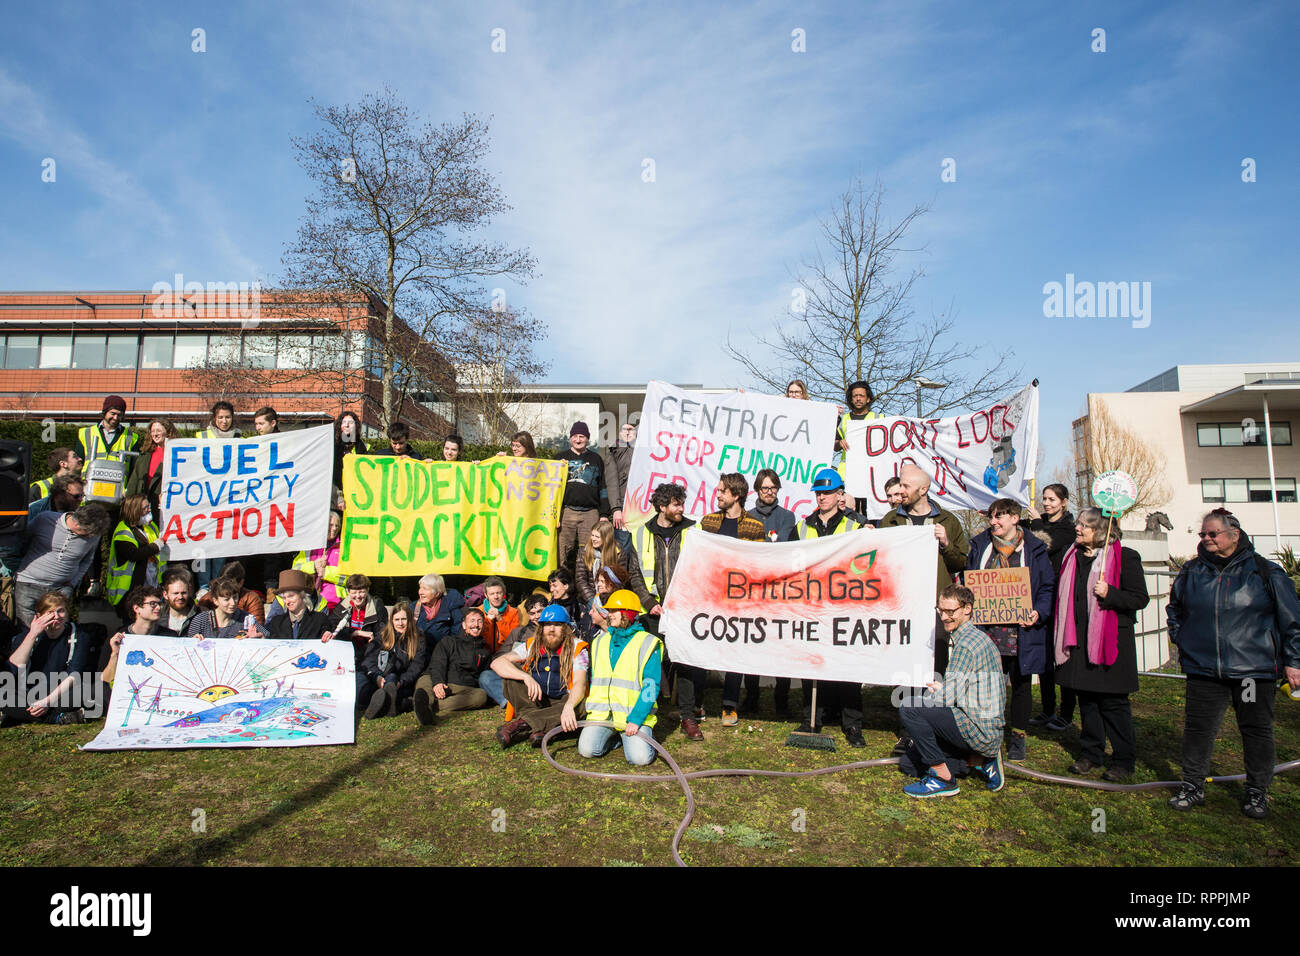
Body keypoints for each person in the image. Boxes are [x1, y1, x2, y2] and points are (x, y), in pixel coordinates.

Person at [1166, 508, 1300, 819]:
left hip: (1252, 672)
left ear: (1234, 534)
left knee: (1255, 730)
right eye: (1203, 534)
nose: (1207, 539)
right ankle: (1192, 785)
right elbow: (1175, 609)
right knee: (1198, 730)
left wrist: (1294, 661)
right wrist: (1180, 637)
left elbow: (1292, 621)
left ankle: (1257, 791)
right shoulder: (1191, 572)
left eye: (1213, 533)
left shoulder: (1265, 572)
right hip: (1204, 670)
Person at [1053, 508, 1149, 782]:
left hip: (1110, 643)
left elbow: (1139, 598)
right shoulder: (1071, 558)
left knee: (1113, 704)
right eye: (1079, 524)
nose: (1078, 529)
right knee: (1088, 701)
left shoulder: (1126, 558)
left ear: (1100, 531)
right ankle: (1091, 753)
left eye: (1085, 525)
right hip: (1080, 642)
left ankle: (1123, 759)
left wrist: (1111, 594)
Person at [964, 498, 1056, 761]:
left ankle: (1017, 736)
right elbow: (970, 578)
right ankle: (985, 732)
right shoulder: (981, 546)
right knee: (987, 685)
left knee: (1020, 685)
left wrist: (1038, 611)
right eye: (991, 517)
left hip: (1021, 632)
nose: (993, 522)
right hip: (987, 630)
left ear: (1015, 518)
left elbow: (1047, 586)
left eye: (999, 517)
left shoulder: (1035, 549)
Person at [897, 585, 1007, 797]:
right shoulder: (976, 637)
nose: (945, 617)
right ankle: (980, 759)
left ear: (967, 609)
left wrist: (933, 696)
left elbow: (945, 699)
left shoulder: (965, 645)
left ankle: (942, 779)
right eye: (941, 611)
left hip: (978, 727)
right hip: (981, 722)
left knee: (910, 708)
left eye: (950, 612)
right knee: (908, 764)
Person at [789, 468, 870, 746]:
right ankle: (811, 719)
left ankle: (852, 725)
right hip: (810, 605)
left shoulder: (855, 528)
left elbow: (868, 565)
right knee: (811, 665)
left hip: (844, 606)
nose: (821, 497)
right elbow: (787, 561)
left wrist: (871, 536)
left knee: (847, 666)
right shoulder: (801, 527)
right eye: (818, 493)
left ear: (840, 495)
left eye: (827, 492)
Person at [878, 463, 969, 670]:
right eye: (900, 485)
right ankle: (903, 702)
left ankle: (934, 701)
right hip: (901, 605)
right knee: (903, 662)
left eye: (906, 486)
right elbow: (880, 561)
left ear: (923, 490)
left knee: (935, 659)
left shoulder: (948, 520)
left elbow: (960, 563)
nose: (901, 490)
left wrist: (946, 544)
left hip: (935, 606)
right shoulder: (891, 520)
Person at [625, 482, 698, 738]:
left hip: (682, 611)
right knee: (653, 665)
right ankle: (650, 714)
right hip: (653, 612)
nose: (681, 509)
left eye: (681, 503)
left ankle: (689, 717)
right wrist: (648, 602)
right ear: (662, 506)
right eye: (676, 504)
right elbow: (634, 573)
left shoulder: (693, 529)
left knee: (685, 664)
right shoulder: (641, 533)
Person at [699, 473, 767, 726]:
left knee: (733, 651)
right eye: (717, 491)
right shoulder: (708, 522)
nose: (717, 495)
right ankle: (697, 704)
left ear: (736, 495)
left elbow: (758, 565)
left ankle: (730, 705)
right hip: (711, 596)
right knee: (704, 649)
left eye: (722, 492)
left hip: (739, 600)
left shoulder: (754, 526)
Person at [577, 589, 662, 766]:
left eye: (614, 611)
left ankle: (640, 737)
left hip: (631, 716)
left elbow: (651, 685)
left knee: (640, 759)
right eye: (609, 611)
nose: (610, 614)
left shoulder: (647, 643)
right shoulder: (600, 642)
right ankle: (617, 739)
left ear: (628, 614)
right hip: (603, 715)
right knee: (586, 750)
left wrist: (636, 719)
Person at [491, 603, 590, 747]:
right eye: (547, 624)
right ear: (541, 627)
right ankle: (542, 725)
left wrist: (568, 706)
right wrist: (526, 677)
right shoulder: (532, 644)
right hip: (536, 699)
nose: (551, 629)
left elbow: (579, 684)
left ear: (566, 627)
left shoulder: (578, 647)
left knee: (581, 705)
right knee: (510, 674)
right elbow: (497, 663)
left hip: (562, 701)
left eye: (557, 624)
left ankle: (524, 724)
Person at [1024, 482, 1079, 731]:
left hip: (1061, 596)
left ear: (1064, 502)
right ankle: (1048, 709)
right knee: (1045, 657)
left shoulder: (1069, 528)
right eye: (1044, 499)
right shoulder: (1037, 521)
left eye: (1052, 500)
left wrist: (1036, 523)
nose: (1046, 503)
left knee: (1063, 658)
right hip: (1040, 595)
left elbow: (1042, 544)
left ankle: (1066, 713)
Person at [2, 592, 100, 726]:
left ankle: (18, 715)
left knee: (88, 692)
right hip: (29, 691)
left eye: (61, 611)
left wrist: (47, 702)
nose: (56, 616)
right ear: (39, 616)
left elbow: (74, 674)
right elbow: (14, 667)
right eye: (50, 612)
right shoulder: (26, 636)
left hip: (60, 693)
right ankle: (57, 718)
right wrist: (33, 634)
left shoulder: (80, 636)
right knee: (4, 692)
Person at [14, 503, 110, 626]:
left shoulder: (93, 535)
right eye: (86, 532)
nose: (89, 536)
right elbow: (22, 541)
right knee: (27, 630)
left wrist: (73, 582)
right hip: (27, 584)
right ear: (76, 523)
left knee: (56, 631)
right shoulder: (45, 519)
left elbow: (87, 560)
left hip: (60, 589)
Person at [413, 607, 493, 723]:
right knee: (425, 683)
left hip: (461, 687)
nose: (476, 625)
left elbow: (482, 676)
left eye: (480, 621)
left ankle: (429, 707)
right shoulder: (449, 641)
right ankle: (425, 709)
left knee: (481, 696)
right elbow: (437, 663)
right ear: (464, 625)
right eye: (472, 621)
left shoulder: (485, 652)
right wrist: (438, 682)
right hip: (436, 678)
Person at [359, 601, 428, 719]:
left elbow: (417, 666)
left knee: (393, 682)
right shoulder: (383, 635)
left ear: (410, 620)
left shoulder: (418, 637)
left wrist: (402, 681)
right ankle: (394, 704)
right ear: (392, 621)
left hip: (403, 681)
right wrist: (377, 677)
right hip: (380, 678)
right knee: (367, 687)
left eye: (403, 619)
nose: (400, 623)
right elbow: (369, 660)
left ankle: (382, 706)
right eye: (397, 620)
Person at [557, 421, 609, 572]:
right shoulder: (560, 458)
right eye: (575, 436)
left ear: (587, 438)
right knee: (563, 551)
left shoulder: (596, 459)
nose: (578, 440)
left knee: (590, 551)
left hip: (590, 512)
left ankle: (588, 582)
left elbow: (603, 487)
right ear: (570, 438)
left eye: (582, 436)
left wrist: (605, 513)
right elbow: (548, 484)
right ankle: (563, 584)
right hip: (567, 511)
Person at [106, 494, 165, 621]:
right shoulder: (123, 531)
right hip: (129, 591)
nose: (149, 510)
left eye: (149, 506)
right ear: (135, 510)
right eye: (145, 508)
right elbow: (133, 554)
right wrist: (155, 546)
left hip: (151, 584)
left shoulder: (149, 527)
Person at [835, 380, 878, 513]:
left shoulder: (878, 418)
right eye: (855, 396)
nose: (858, 399)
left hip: (870, 473)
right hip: (847, 474)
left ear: (868, 398)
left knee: (869, 511)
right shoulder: (844, 419)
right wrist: (839, 443)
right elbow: (835, 445)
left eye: (862, 396)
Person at [327, 573, 388, 664]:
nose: (358, 596)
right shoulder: (342, 606)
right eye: (354, 592)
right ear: (348, 592)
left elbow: (382, 633)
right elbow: (332, 628)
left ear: (367, 590)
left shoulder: (377, 606)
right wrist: (355, 632)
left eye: (361, 592)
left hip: (369, 653)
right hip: (347, 652)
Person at [124, 419, 178, 520]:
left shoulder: (176, 455)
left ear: (168, 431)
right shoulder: (145, 454)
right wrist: (129, 504)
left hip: (164, 505)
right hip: (143, 506)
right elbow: (134, 481)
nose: (155, 434)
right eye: (152, 431)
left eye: (158, 431)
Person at [292, 511, 345, 611]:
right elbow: (295, 569)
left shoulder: (344, 547)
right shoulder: (310, 545)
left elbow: (350, 578)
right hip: (308, 600)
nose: (334, 528)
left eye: (337, 525)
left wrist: (326, 572)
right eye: (331, 525)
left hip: (335, 603)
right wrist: (313, 566)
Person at [187, 577, 270, 640]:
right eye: (227, 599)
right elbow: (188, 646)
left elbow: (267, 637)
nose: (233, 603)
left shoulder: (246, 618)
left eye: (235, 597)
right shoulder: (201, 620)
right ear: (215, 601)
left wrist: (259, 636)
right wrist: (193, 641)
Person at [576, 518, 635, 605]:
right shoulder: (584, 551)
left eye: (597, 537)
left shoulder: (618, 553)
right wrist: (592, 600)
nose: (593, 539)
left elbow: (619, 581)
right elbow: (580, 579)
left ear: (606, 538)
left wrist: (607, 600)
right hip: (588, 598)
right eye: (592, 535)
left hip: (610, 597)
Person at [265, 570, 335, 641]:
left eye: (291, 596)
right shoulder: (276, 622)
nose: (287, 602)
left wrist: (328, 635)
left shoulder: (320, 620)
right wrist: (260, 637)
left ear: (303, 595)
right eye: (284, 598)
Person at [75, 394, 138, 464]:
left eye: (119, 415)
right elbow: (77, 464)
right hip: (90, 475)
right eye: (113, 413)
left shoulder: (132, 438)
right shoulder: (85, 434)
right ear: (105, 412)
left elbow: (134, 467)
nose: (115, 418)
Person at [196, 561, 266, 623]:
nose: (232, 603)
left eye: (231, 583)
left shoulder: (251, 598)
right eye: (224, 582)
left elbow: (258, 628)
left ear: (241, 582)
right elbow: (199, 623)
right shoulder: (208, 599)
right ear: (215, 601)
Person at [413, 573, 465, 651]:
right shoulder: (414, 608)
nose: (420, 592)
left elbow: (457, 631)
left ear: (437, 593)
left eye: (425, 589)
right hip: (421, 652)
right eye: (420, 588)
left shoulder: (450, 604)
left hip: (444, 651)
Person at [748, 467, 797, 543]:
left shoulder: (787, 516)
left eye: (773, 488)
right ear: (758, 489)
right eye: (765, 488)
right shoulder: (747, 516)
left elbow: (781, 545)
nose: (770, 492)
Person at [604, 421, 637, 530]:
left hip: (641, 505)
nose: (627, 432)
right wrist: (616, 508)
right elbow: (611, 482)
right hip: (623, 506)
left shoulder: (642, 450)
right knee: (623, 544)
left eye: (630, 429)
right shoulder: (612, 451)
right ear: (620, 433)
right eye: (624, 429)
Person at [332, 411, 367, 491]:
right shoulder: (332, 444)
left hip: (355, 489)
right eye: (344, 422)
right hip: (336, 490)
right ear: (340, 425)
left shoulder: (362, 447)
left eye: (350, 422)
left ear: (356, 426)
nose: (347, 425)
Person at [160, 567, 200, 635]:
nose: (180, 597)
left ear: (189, 592)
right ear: (165, 595)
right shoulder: (157, 616)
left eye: (183, 593)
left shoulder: (201, 616)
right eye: (176, 593)